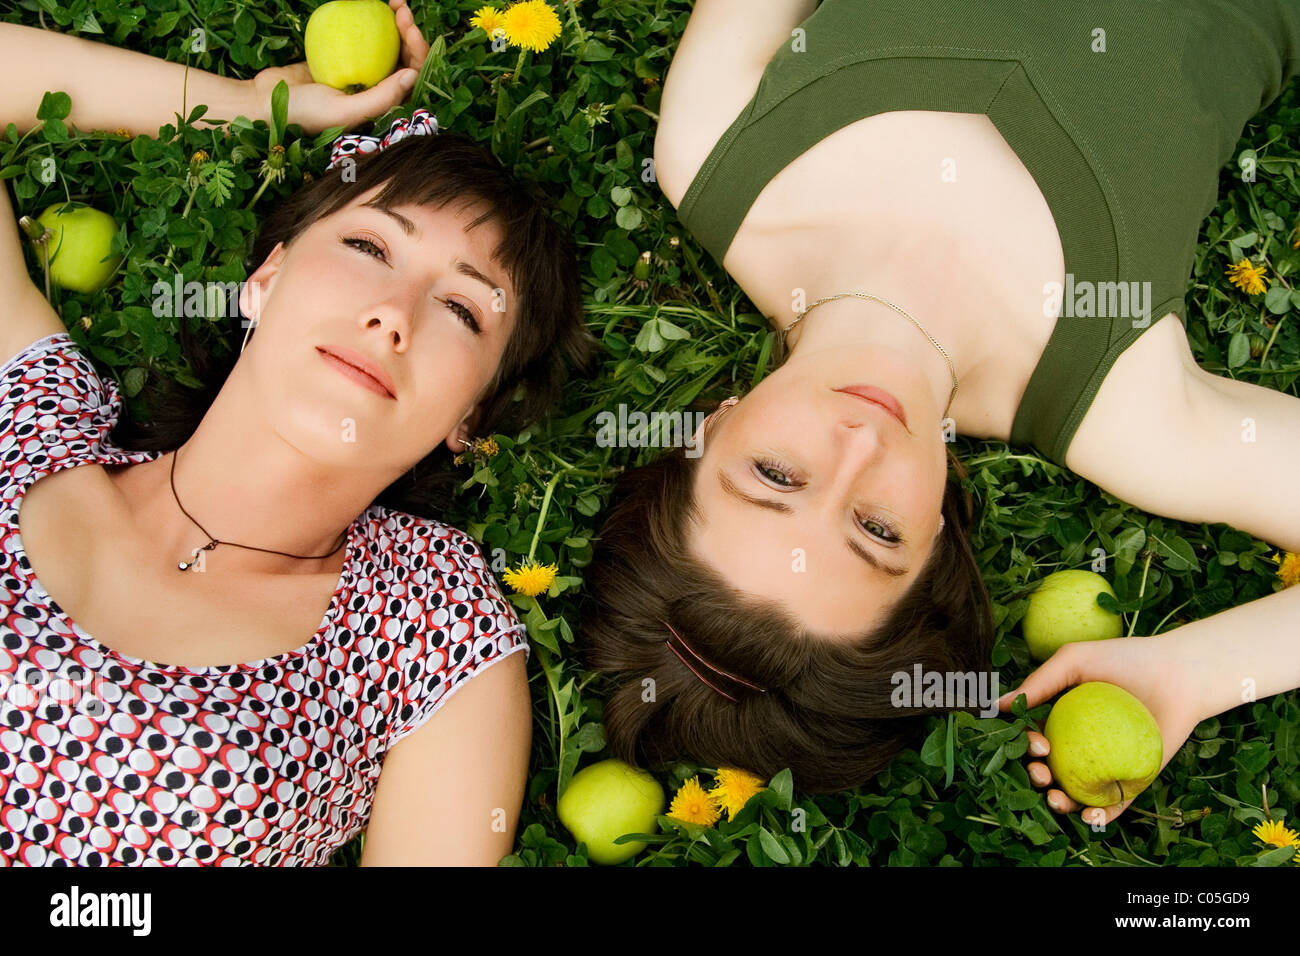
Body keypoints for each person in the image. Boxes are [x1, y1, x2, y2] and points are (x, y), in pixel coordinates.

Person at [578, 0, 1300, 819]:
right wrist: (1196, 671)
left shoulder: (714, 150)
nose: (859, 446)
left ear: (708, 429)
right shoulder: (1126, 408)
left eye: (776, 475)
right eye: (877, 532)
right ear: (938, 545)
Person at [0, 2, 594, 865]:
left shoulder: (425, 622)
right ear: (266, 279)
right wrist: (248, 104)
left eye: (463, 307)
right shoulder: (35, 415)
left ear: (474, 415)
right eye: (369, 247)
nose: (394, 315)